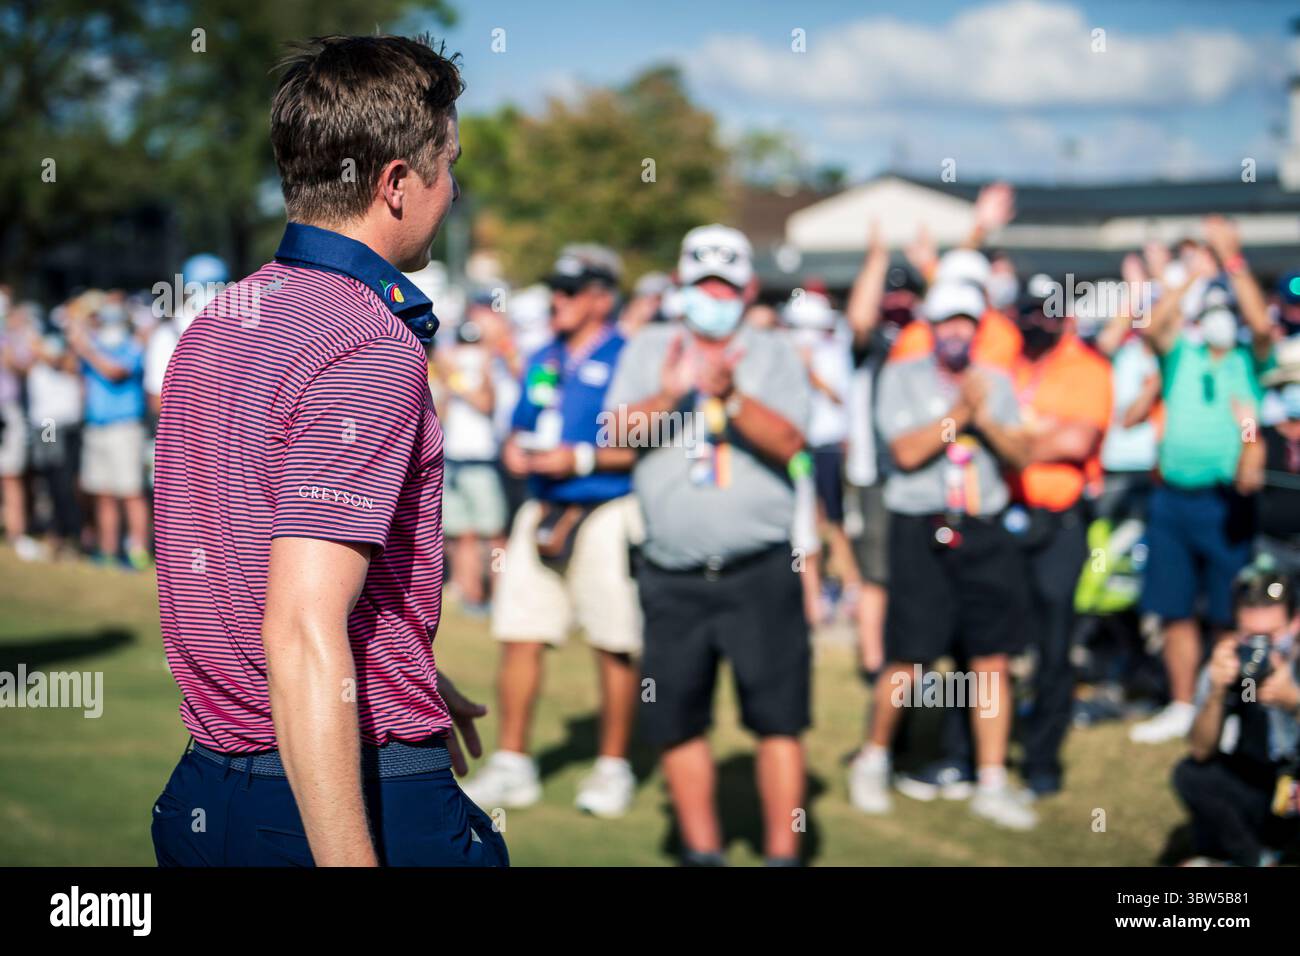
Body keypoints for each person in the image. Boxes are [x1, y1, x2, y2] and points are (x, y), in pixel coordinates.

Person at [150, 34, 505, 867]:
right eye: (445, 165)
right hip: (335, 794)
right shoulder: (368, 343)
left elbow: (248, 555)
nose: (451, 190)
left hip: (217, 786)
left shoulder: (222, 318)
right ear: (393, 185)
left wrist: (402, 670)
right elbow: (302, 624)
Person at [606, 224, 812, 865]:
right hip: (672, 574)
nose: (711, 299)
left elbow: (791, 443)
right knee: (676, 718)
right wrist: (672, 391)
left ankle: (782, 856)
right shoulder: (649, 347)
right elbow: (613, 439)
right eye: (701, 287)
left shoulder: (773, 351)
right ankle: (704, 853)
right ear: (681, 286)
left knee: (778, 719)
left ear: (748, 290)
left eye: (724, 288)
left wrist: (729, 395)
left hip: (759, 570)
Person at [847, 280, 1037, 831]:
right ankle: (874, 758)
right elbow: (905, 452)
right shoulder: (901, 378)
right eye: (948, 321)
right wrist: (960, 414)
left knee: (991, 659)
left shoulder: (996, 382)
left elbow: (1021, 453)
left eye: (967, 323)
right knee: (909, 656)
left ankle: (992, 780)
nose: (957, 332)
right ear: (930, 326)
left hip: (983, 527)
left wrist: (986, 419)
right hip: (921, 527)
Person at [463, 245, 644, 819]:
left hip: (607, 511)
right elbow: (521, 424)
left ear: (601, 297)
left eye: (571, 291)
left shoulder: (629, 357)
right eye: (557, 289)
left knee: (614, 642)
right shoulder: (544, 355)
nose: (557, 300)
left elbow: (648, 442)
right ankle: (513, 762)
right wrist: (517, 451)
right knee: (520, 633)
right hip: (541, 508)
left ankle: (614, 766)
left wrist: (581, 460)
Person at [1130, 218, 1276, 744]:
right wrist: (1191, 276)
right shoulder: (1181, 355)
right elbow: (1153, 327)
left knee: (1225, 611)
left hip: (1226, 502)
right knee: (1173, 609)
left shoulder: (1249, 361)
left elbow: (1262, 326)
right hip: (1172, 499)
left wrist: (1232, 261)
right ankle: (1177, 701)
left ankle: (1221, 703)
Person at [1004, 278, 1112, 795]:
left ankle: (1042, 759)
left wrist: (1019, 438)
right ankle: (975, 751)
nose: (1036, 322)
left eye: (1047, 312)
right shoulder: (1011, 360)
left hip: (1060, 521)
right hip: (1007, 517)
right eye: (1028, 311)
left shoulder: (1088, 369)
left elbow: (1077, 439)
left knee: (1052, 646)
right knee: (993, 642)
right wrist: (1036, 434)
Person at [1172, 562, 1300, 866]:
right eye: (1250, 636)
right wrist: (1216, 694)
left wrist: (1294, 703)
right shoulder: (1229, 661)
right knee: (1192, 774)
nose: (1260, 649)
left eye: (1270, 635)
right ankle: (1254, 858)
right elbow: (1201, 750)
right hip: (1259, 780)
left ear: (1296, 622)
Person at [429, 301, 508, 613]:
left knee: (493, 533)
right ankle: (469, 597)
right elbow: (442, 415)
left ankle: (501, 596)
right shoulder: (451, 370)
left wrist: (458, 378)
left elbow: (486, 404)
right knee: (461, 534)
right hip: (453, 457)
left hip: (481, 459)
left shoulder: (489, 367)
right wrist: (447, 383)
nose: (467, 350)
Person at [68, 296, 150, 569]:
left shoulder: (132, 346)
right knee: (102, 493)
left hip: (124, 428)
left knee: (130, 492)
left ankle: (137, 551)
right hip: (96, 427)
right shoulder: (95, 345)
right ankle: (108, 549)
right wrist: (76, 338)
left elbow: (116, 372)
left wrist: (86, 349)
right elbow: (70, 371)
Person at [0, 301, 40, 560]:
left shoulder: (11, 338)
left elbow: (23, 365)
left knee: (11, 475)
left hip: (7, 410)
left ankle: (17, 533)